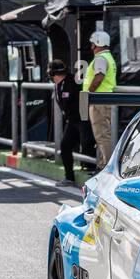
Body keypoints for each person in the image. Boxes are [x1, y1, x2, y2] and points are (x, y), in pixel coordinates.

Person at [85, 29, 117, 166]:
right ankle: (104, 163)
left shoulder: (100, 58)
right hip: (105, 99)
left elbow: (99, 78)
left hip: (99, 100)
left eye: (93, 43)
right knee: (104, 134)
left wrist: (89, 93)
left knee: (102, 136)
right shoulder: (108, 57)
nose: (91, 46)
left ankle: (108, 167)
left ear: (98, 43)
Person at [50, 59, 82, 187]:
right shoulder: (58, 85)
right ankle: (69, 177)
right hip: (72, 120)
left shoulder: (72, 82)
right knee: (65, 146)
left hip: (81, 119)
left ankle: (93, 169)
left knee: (89, 143)